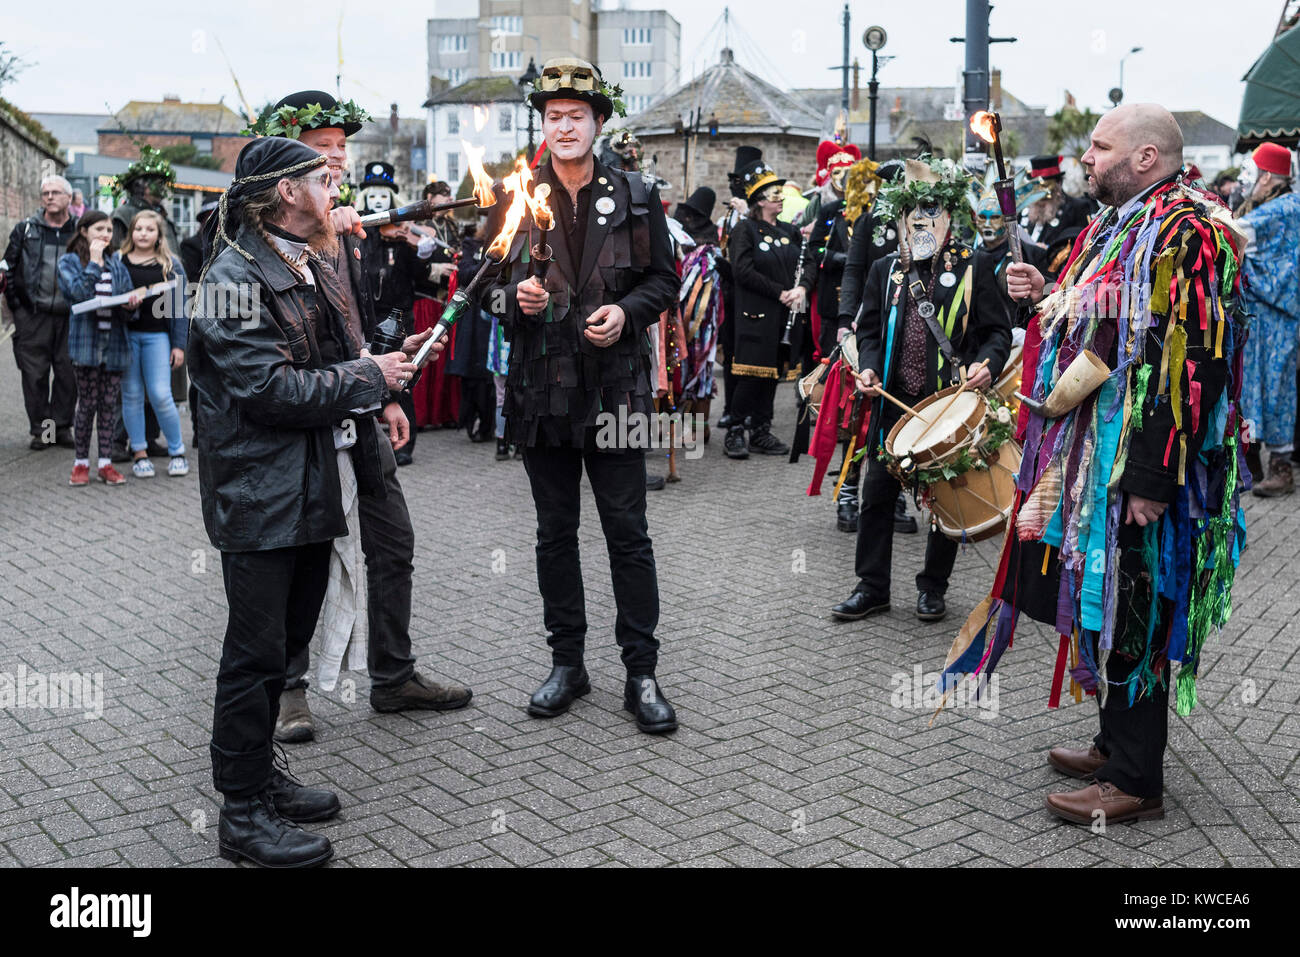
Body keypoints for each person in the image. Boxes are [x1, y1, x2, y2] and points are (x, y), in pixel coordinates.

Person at [977, 104, 1247, 826]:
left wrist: (1154, 478)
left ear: (1147, 157)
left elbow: (1195, 359)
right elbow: (1101, 319)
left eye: (1099, 147)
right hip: (1096, 455)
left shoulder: (1189, 232)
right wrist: (1048, 294)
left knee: (1137, 603)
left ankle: (1135, 779)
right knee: (1101, 591)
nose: (1086, 159)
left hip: (1147, 464)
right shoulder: (1114, 223)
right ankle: (1111, 740)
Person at [189, 136, 418, 867]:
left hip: (311, 487)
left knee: (283, 646)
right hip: (259, 496)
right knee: (253, 657)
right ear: (287, 192)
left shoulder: (306, 263)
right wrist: (365, 378)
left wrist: (385, 365)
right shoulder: (231, 275)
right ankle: (242, 813)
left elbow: (324, 363)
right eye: (323, 178)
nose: (334, 189)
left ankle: (263, 777)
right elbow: (268, 390)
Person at [251, 89, 474, 742]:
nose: (335, 163)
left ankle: (394, 673)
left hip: (358, 410)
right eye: (321, 152)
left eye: (341, 150)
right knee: (305, 559)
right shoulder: (259, 241)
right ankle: (290, 690)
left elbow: (349, 328)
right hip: (301, 426)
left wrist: (388, 391)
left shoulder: (344, 233)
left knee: (393, 541)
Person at [490, 56, 680, 734]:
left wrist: (627, 313)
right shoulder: (516, 194)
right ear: (542, 124)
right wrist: (516, 296)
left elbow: (666, 280)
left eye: (576, 116)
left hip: (618, 392)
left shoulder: (635, 193)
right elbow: (484, 287)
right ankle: (567, 663)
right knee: (553, 535)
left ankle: (642, 671)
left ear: (599, 122)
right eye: (553, 116)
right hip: (543, 392)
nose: (564, 126)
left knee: (629, 535)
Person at [831, 157, 1011, 625]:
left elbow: (997, 332)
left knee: (944, 500)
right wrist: (868, 369)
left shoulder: (976, 265)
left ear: (949, 217)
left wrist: (985, 364)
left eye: (930, 211)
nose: (920, 221)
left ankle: (933, 587)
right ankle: (872, 587)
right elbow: (869, 331)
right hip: (892, 404)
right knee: (876, 496)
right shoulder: (884, 270)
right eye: (910, 212)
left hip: (947, 405)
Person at [837, 158, 913, 535]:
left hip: (909, 339)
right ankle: (848, 493)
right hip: (869, 330)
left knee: (899, 419)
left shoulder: (927, 226)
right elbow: (852, 270)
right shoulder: (869, 221)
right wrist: (843, 320)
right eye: (889, 186)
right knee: (858, 419)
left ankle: (895, 495)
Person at [723, 156, 804, 459]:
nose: (781, 198)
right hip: (755, 315)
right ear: (759, 201)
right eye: (775, 194)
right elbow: (741, 271)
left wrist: (802, 287)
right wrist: (779, 292)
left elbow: (805, 261)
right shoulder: (745, 230)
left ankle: (761, 430)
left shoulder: (788, 231)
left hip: (783, 317)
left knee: (771, 375)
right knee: (751, 375)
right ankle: (735, 429)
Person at [1235, 142, 1299, 496]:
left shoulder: (1286, 208)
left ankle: (1280, 468)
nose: (1251, 182)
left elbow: (1236, 229)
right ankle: (1252, 463)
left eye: (1255, 174)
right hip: (1261, 316)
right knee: (1250, 387)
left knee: (1277, 389)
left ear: (1270, 176)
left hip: (1280, 316)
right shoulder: (1277, 204)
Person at [55, 211, 136, 486]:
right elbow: (78, 294)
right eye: (100, 228)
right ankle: (80, 464)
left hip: (114, 344)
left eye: (109, 230)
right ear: (83, 230)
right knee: (87, 404)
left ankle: (105, 464)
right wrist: (95, 261)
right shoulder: (69, 262)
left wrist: (131, 305)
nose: (106, 234)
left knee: (109, 405)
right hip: (86, 345)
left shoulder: (117, 263)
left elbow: (125, 304)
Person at [3, 174, 80, 450]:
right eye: (45, 192)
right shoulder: (26, 229)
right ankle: (42, 431)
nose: (49, 197)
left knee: (67, 374)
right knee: (34, 375)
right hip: (33, 316)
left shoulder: (80, 230)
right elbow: (7, 268)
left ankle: (61, 428)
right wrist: (17, 306)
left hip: (71, 316)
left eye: (55, 192)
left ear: (68, 199)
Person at [118, 210, 188, 478]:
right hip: (126, 337)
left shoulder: (171, 264)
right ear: (131, 233)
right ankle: (139, 453)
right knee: (132, 395)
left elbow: (180, 307)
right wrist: (124, 305)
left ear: (159, 234)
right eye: (138, 229)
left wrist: (178, 345)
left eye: (149, 229)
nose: (143, 234)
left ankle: (177, 450)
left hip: (158, 337)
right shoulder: (119, 261)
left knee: (160, 394)